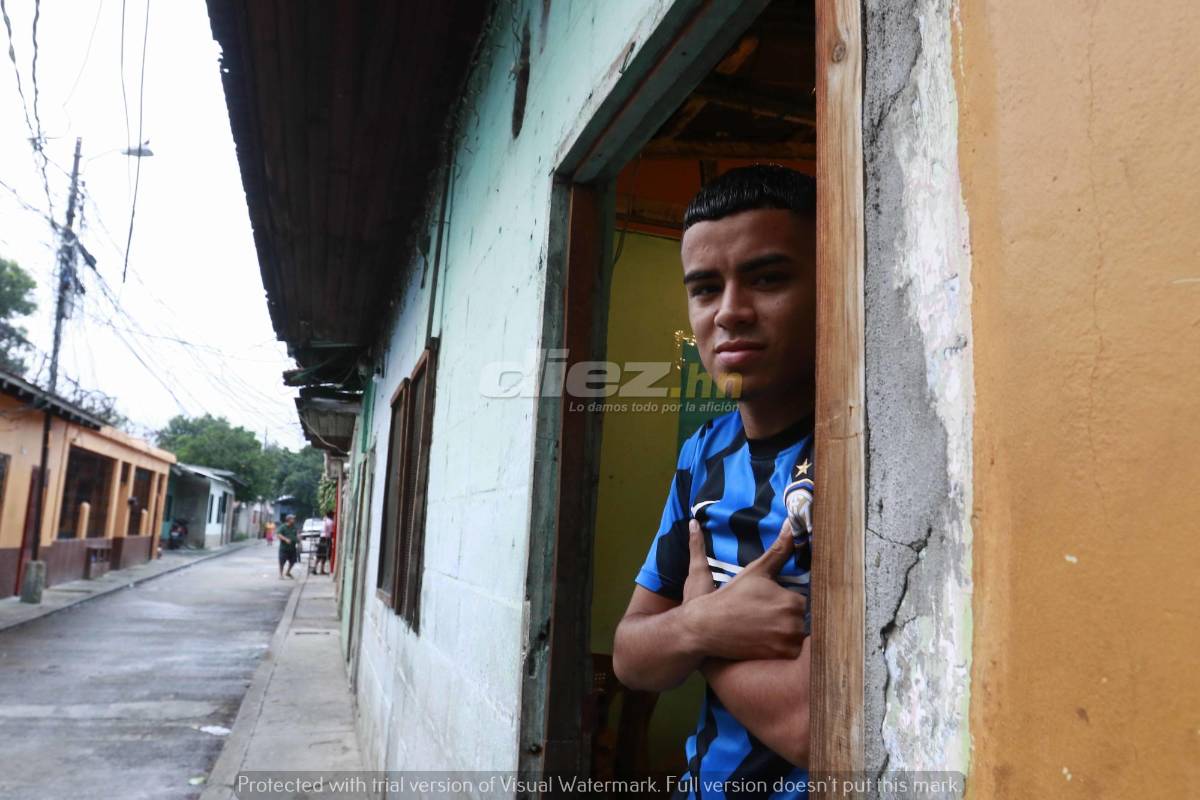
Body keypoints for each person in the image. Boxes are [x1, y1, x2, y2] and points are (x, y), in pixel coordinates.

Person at [612, 165, 816, 798]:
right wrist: (704, 625)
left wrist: (697, 627)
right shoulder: (704, 454)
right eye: (705, 289)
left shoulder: (864, 452)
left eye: (768, 277)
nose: (730, 312)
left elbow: (808, 724)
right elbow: (629, 655)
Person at [276, 514, 299, 579]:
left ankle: (288, 572)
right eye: (293, 519)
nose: (294, 520)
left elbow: (297, 535)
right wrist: (285, 539)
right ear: (288, 520)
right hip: (284, 548)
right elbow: (278, 534)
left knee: (293, 561)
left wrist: (299, 540)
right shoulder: (283, 527)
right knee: (282, 562)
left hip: (292, 548)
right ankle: (281, 575)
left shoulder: (294, 527)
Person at [316, 510, 334, 575]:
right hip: (327, 538)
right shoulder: (331, 522)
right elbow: (332, 533)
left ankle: (315, 568)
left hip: (321, 538)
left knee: (319, 554)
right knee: (325, 554)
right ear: (332, 515)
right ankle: (321, 570)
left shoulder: (324, 521)